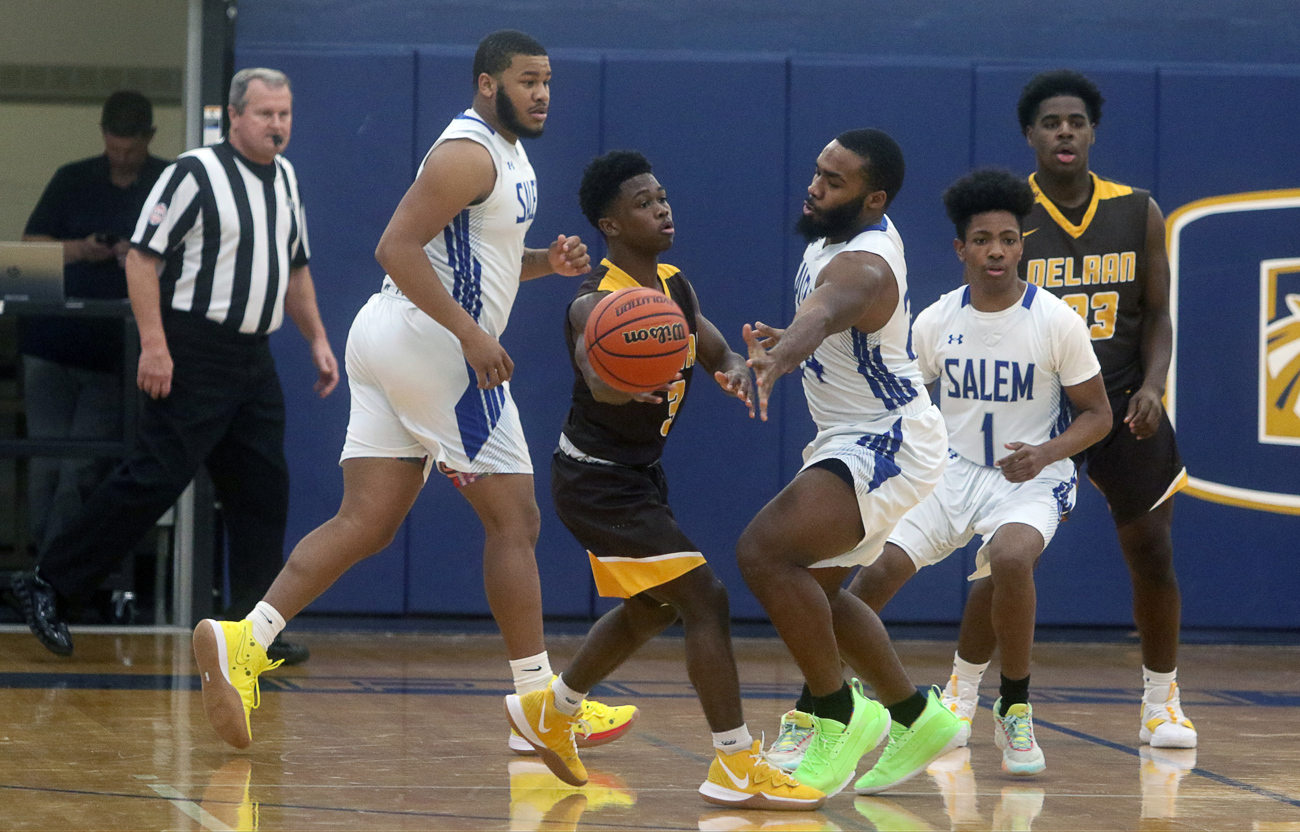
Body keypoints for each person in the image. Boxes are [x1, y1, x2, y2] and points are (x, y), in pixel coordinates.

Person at [188, 31, 637, 753]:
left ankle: (248, 637)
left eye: (548, 80)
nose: (543, 92)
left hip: (392, 338)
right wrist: (469, 335)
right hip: (434, 349)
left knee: (367, 520)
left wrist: (543, 264)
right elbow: (394, 246)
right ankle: (539, 702)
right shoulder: (467, 153)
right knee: (515, 521)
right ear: (488, 84)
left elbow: (465, 261)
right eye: (527, 80)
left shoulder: (509, 155)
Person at [505, 150, 824, 810]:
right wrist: (626, 386)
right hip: (594, 480)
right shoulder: (593, 305)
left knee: (651, 606)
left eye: (663, 197)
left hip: (637, 477)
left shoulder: (674, 286)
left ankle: (554, 710)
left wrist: (742, 368)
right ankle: (736, 763)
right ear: (611, 225)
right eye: (644, 202)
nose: (662, 208)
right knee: (705, 597)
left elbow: (714, 351)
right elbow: (599, 378)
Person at [11, 68, 339, 667]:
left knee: (264, 492)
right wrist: (156, 347)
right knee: (153, 478)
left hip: (253, 359)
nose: (277, 126)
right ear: (235, 116)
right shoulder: (193, 173)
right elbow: (140, 259)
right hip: (193, 348)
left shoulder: (286, 178)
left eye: (285, 115)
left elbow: (296, 270)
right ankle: (48, 584)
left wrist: (316, 337)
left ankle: (255, 631)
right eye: (265, 114)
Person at [930, 69, 1197, 750]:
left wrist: (1154, 386)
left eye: (1076, 120)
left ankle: (1162, 702)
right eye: (1051, 122)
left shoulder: (1138, 210)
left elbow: (1160, 315)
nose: (1065, 131)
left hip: (1122, 402)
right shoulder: (1010, 217)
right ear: (1031, 134)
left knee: (1153, 553)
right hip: (1036, 413)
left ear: (1093, 130)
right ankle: (960, 693)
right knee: (1004, 560)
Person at [832, 168, 1111, 776]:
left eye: (1009, 239)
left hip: (1030, 474)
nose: (997, 251)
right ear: (961, 249)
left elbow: (1098, 415)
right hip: (949, 472)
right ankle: (842, 706)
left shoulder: (1055, 319)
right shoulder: (935, 320)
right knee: (872, 576)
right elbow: (898, 392)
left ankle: (1013, 706)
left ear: (1021, 245)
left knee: (1010, 560)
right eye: (983, 239)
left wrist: (1047, 452)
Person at [735, 129, 962, 798]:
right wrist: (788, 340)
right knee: (822, 597)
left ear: (875, 200)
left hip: (888, 438)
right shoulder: (833, 235)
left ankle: (838, 713)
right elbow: (818, 307)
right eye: (817, 172)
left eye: (834, 182)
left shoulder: (867, 264)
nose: (816, 186)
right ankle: (915, 716)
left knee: (764, 553)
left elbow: (827, 308)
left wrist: (784, 352)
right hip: (853, 434)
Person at [20, 91, 168, 556]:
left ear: (148, 139)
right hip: (50, 344)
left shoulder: (166, 182)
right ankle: (40, 570)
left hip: (114, 352)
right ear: (102, 134)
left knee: (82, 466)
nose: (120, 157)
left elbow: (186, 254)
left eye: (130, 149)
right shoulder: (73, 178)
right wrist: (83, 249)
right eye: (113, 146)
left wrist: (140, 256)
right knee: (44, 461)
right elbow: (32, 245)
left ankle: (57, 572)